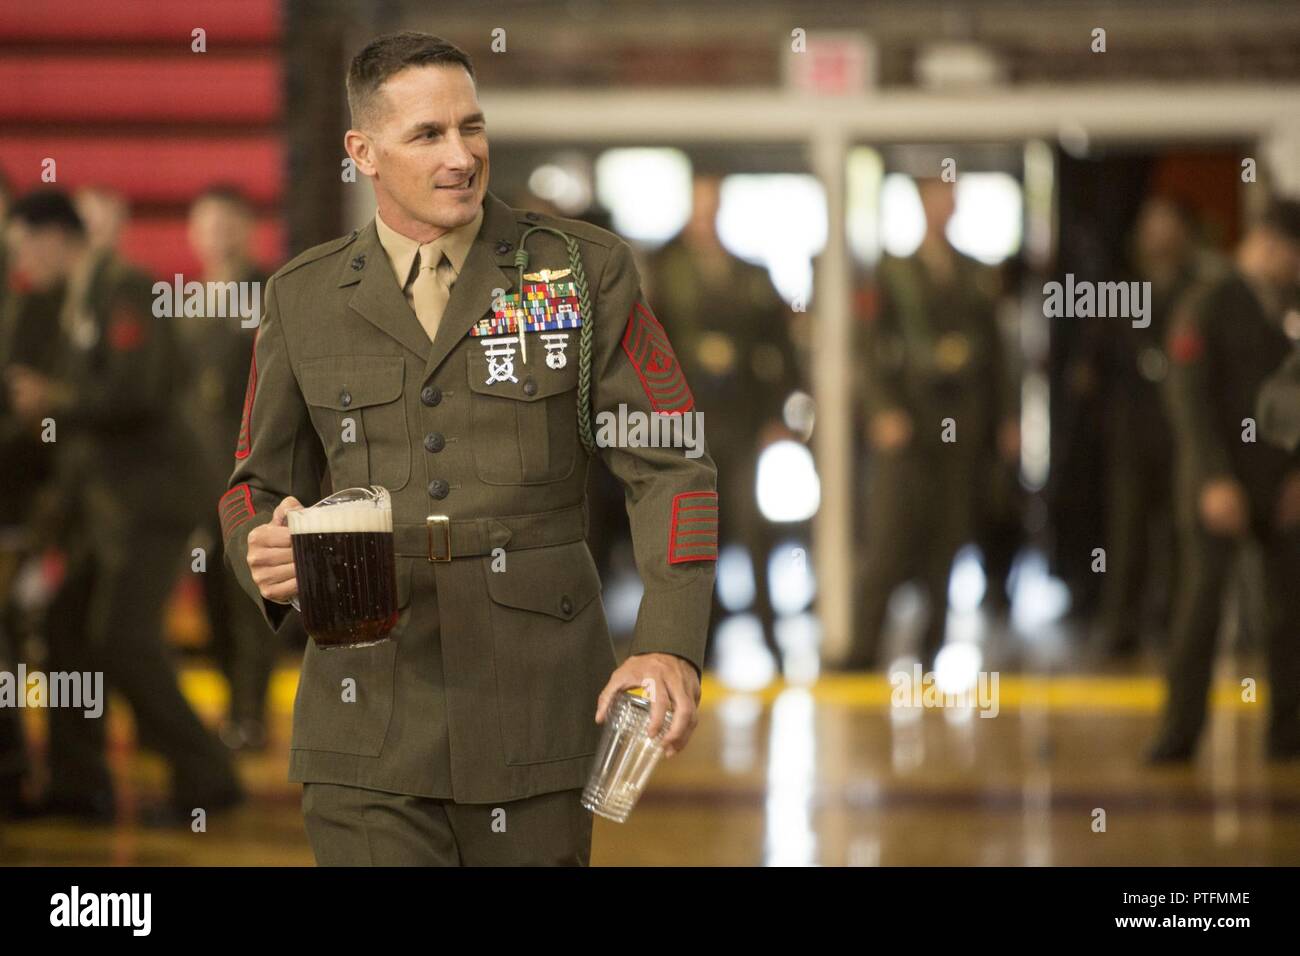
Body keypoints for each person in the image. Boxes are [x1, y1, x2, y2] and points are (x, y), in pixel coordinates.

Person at [221, 32, 717, 866]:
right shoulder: (302, 298)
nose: (461, 156)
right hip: (366, 717)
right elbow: (253, 486)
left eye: (472, 127)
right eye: (428, 135)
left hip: (537, 710)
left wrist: (668, 641)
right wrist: (258, 548)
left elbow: (670, 459)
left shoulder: (579, 274)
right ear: (363, 153)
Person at [2, 189, 243, 822]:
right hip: (107, 506)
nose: (22, 259)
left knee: (123, 640)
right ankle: (79, 782)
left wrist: (51, 399)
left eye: (25, 244)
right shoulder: (77, 297)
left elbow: (134, 390)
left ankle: (207, 775)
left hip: (149, 501)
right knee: (63, 626)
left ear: (53, 236)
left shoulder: (123, 287)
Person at [846, 177, 1017, 670]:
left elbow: (999, 355)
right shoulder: (893, 271)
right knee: (888, 539)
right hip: (907, 420)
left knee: (949, 537)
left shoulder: (976, 274)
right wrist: (881, 410)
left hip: (961, 420)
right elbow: (869, 348)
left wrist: (1007, 418)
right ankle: (862, 650)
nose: (945, 209)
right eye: (937, 200)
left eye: (951, 201)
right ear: (922, 206)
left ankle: (932, 647)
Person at [1150, 198, 1300, 762]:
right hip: (1217, 485)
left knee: (1289, 614)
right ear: (1267, 243)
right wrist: (1212, 479)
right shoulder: (1208, 302)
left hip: (1279, 487)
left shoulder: (1291, 307)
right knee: (1200, 613)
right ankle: (1178, 734)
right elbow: (1187, 399)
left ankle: (1288, 734)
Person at [645, 173, 799, 669]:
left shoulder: (748, 274)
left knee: (753, 531)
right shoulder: (665, 269)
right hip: (685, 425)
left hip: (742, 420)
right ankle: (695, 646)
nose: (706, 216)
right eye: (699, 204)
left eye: (713, 204)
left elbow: (784, 348)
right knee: (692, 537)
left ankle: (771, 638)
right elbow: (646, 347)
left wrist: (780, 416)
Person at [180, 185, 275, 751]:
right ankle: (230, 709)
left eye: (226, 223)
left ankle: (250, 716)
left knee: (250, 597)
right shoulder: (186, 303)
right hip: (195, 476)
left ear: (248, 228)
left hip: (251, 473)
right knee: (209, 596)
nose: (216, 234)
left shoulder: (271, 294)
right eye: (205, 223)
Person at [1092, 197, 1203, 657]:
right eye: (1151, 225)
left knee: (1181, 533)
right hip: (1132, 431)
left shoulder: (1197, 289)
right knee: (1128, 532)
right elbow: (1099, 358)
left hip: (1182, 431)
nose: (1159, 235)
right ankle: (1121, 627)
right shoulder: (1123, 290)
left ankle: (1178, 626)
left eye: (1167, 224)